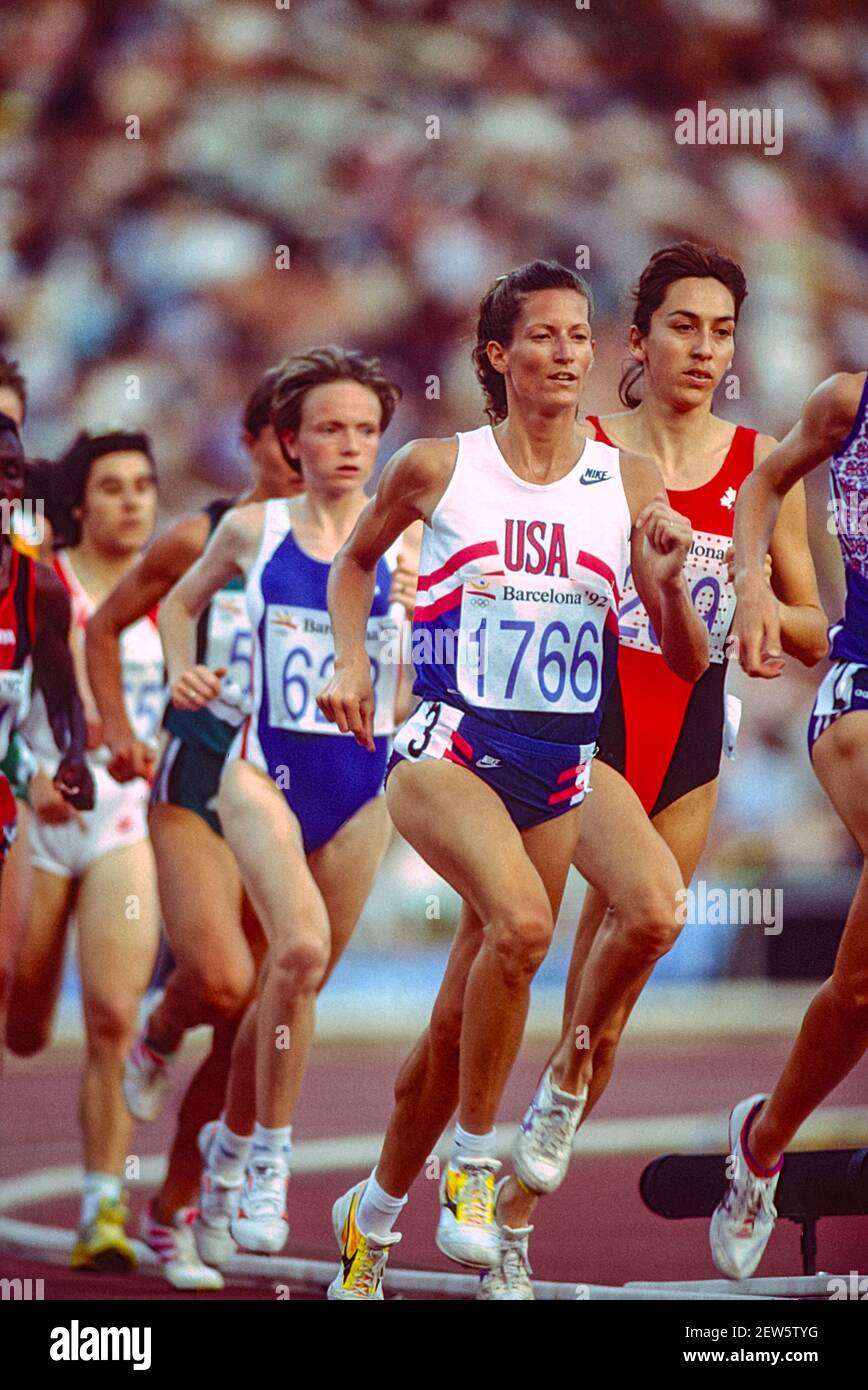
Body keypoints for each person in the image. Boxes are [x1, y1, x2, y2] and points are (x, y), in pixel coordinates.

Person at [318, 259, 710, 1300]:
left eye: (580, 335)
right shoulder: (437, 466)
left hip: (558, 764)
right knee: (528, 928)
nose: (567, 354)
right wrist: (354, 658)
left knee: (456, 1025)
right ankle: (474, 1167)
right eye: (543, 336)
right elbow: (353, 563)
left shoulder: (625, 478)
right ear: (497, 355)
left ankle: (372, 1212)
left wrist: (666, 581)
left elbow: (683, 658)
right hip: (447, 745)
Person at [488, 244, 829, 1297]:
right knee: (587, 932)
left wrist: (772, 607)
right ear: (636, 340)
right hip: (574, 727)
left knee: (610, 1007)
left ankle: (511, 1222)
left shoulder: (760, 461)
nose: (703, 349)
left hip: (687, 741)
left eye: (721, 331)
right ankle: (435, 1165)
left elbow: (819, 623)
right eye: (683, 326)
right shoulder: (584, 446)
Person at [159, 345, 416, 1265]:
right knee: (297, 948)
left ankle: (224, 1157)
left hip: (361, 787)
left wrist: (408, 692)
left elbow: (427, 664)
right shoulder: (253, 531)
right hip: (262, 772)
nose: (350, 447)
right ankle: (269, 1157)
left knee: (294, 981)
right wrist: (183, 665)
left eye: (365, 432)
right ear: (290, 442)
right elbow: (179, 605)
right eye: (330, 430)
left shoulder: (409, 539)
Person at [85, 368, 305, 1288]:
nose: (308, 454)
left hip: (300, 795)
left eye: (331, 434)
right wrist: (126, 732)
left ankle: (176, 1208)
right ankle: (155, 1033)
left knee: (254, 1020)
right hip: (199, 779)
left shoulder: (364, 543)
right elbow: (104, 628)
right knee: (218, 982)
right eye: (290, 434)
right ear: (252, 441)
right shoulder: (201, 537)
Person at [711, 368, 867, 1279]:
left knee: (856, 994)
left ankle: (761, 1143)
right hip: (861, 694)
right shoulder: (849, 402)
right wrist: (755, 586)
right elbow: (766, 477)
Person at [7, 429, 162, 1273]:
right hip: (36, 819)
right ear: (76, 503)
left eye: (143, 484)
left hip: (120, 824)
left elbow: (184, 705)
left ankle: (104, 1207)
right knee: (24, 1023)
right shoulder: (39, 585)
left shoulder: (170, 593)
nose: (133, 500)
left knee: (112, 1016)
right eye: (111, 486)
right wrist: (28, 772)